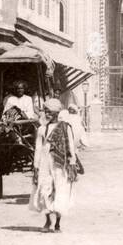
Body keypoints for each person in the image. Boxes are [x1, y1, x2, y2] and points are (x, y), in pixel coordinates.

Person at [31, 97, 79, 232]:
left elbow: (70, 147)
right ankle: (47, 221)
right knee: (44, 189)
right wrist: (36, 167)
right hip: (45, 163)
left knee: (60, 190)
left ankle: (57, 222)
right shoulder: (41, 129)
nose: (47, 114)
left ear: (57, 113)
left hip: (60, 163)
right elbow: (38, 149)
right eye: (45, 111)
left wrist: (72, 164)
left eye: (50, 112)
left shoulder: (65, 127)